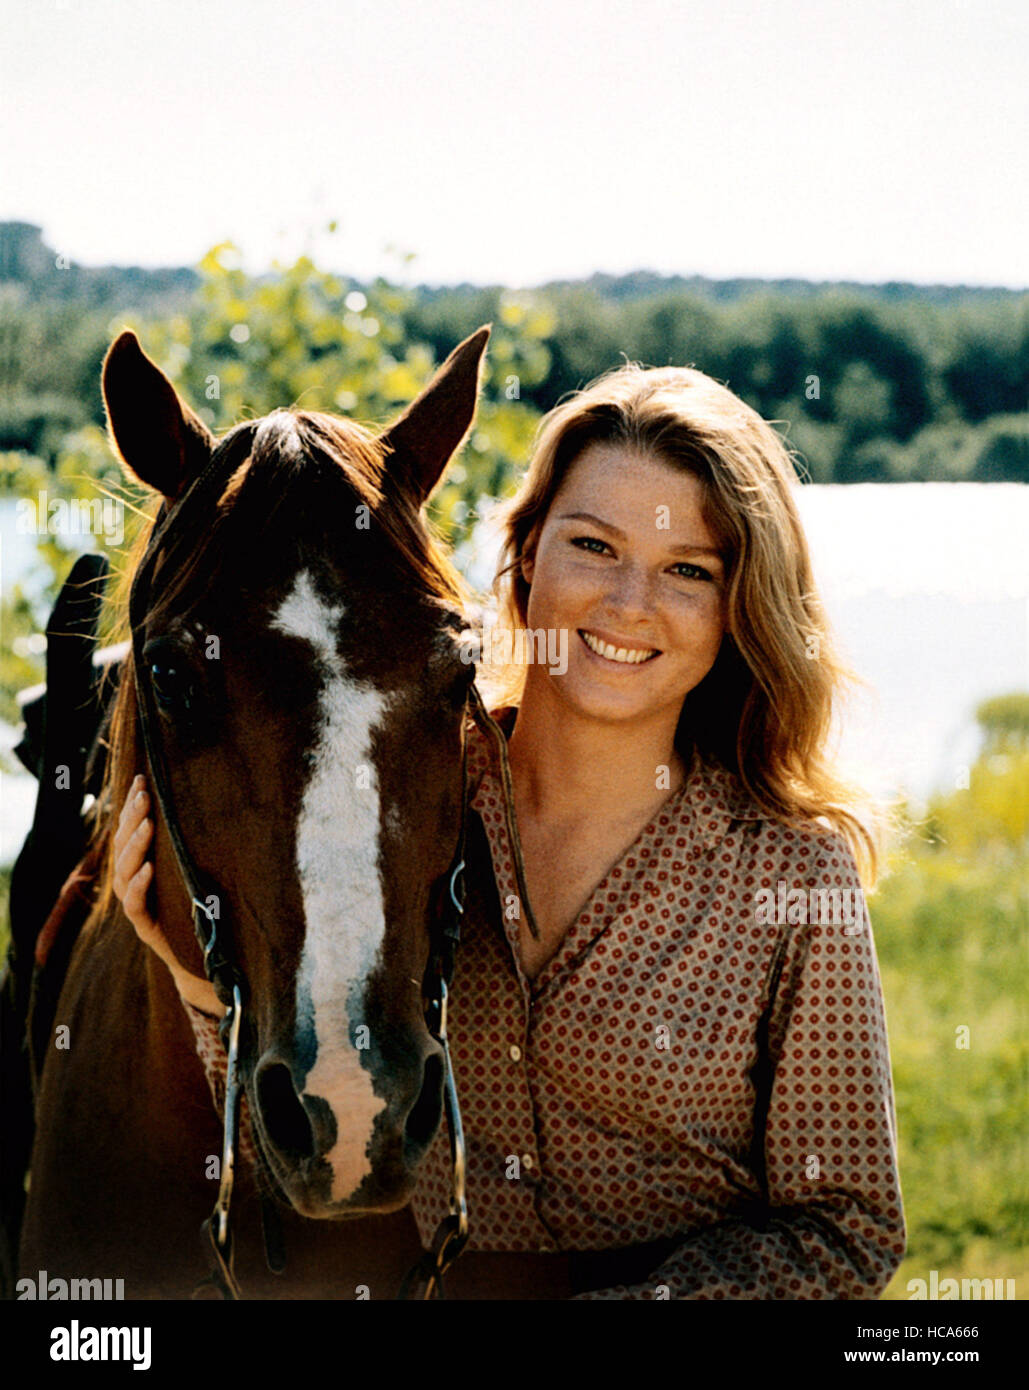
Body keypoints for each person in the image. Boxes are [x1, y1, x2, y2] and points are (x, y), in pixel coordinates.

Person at [112, 359, 906, 1299]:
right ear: (525, 556)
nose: (628, 604)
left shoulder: (790, 873)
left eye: (686, 570)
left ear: (738, 607)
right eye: (594, 548)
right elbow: (317, 1153)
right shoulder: (406, 801)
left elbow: (846, 1227)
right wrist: (203, 990)